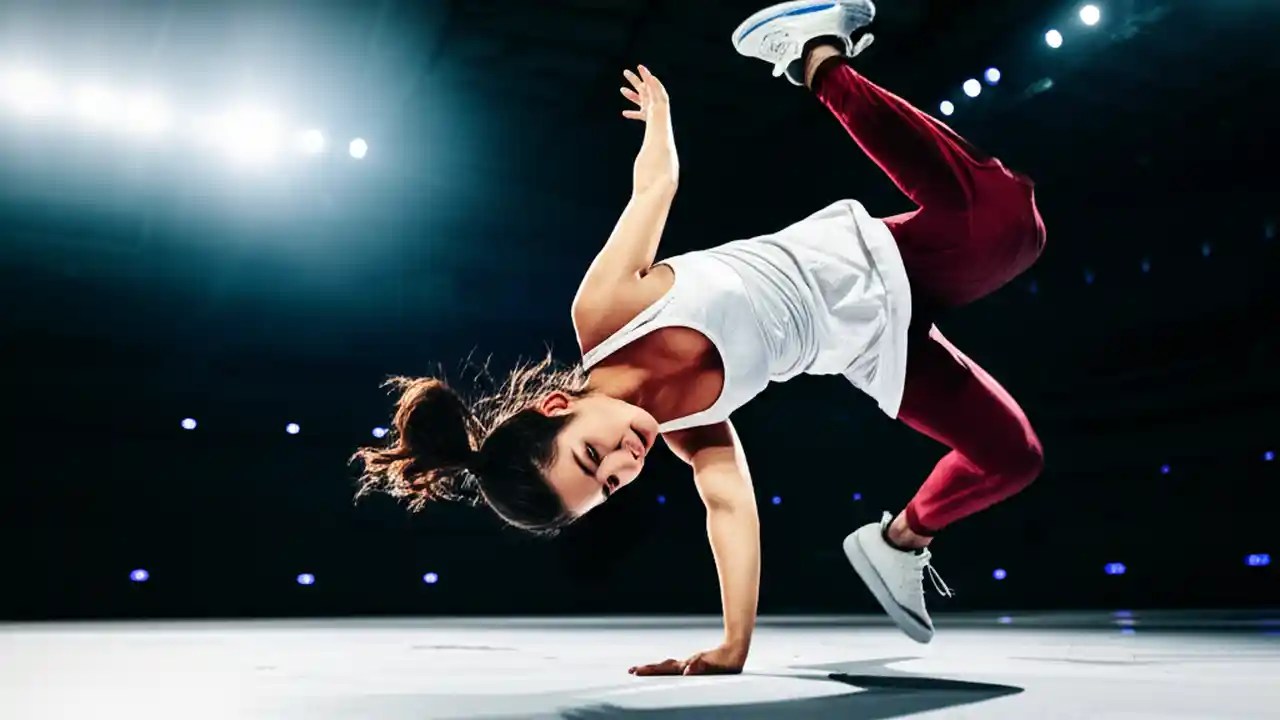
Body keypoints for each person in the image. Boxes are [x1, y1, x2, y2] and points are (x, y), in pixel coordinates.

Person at [351, 0, 1046, 676]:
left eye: (593, 454)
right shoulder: (689, 425)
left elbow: (654, 189)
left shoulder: (606, 312)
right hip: (870, 344)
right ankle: (901, 542)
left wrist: (658, 121)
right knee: (1011, 456)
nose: (625, 460)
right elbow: (729, 507)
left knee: (1007, 222)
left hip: (862, 261)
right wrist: (732, 646)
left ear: (558, 405)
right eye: (613, 483)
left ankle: (813, 57)